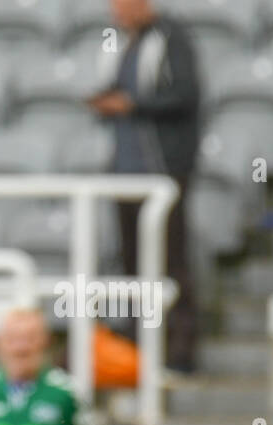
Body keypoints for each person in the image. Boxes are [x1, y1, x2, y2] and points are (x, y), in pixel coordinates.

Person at [87, 0, 200, 374]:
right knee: (132, 262)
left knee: (171, 260)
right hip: (125, 170)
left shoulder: (171, 38)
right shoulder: (122, 44)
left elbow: (185, 95)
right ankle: (136, 348)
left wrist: (132, 105)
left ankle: (181, 350)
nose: (116, 11)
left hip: (162, 169)